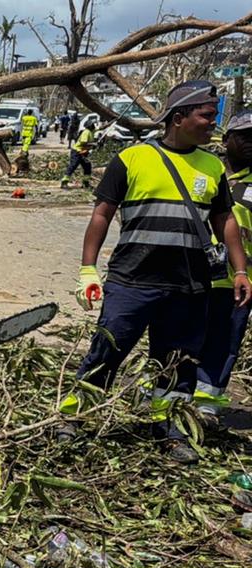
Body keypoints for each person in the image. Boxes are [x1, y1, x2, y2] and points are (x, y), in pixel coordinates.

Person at [66, 80, 251, 464]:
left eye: (214, 117)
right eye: (205, 116)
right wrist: (88, 268)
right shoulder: (131, 159)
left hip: (188, 287)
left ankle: (167, 430)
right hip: (132, 281)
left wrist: (240, 269)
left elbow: (224, 220)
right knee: (107, 351)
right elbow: (101, 214)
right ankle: (74, 419)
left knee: (177, 363)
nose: (211, 124)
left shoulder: (212, 166)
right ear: (179, 116)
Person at [196, 111, 252, 419]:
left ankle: (205, 407)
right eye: (245, 137)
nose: (250, 144)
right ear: (226, 139)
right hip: (192, 277)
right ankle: (168, 399)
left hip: (237, 284)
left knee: (223, 345)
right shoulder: (205, 172)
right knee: (182, 339)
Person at [61, 116, 98, 189]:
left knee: (87, 167)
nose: (94, 126)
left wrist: (112, 122)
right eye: (93, 125)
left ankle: (85, 183)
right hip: (77, 152)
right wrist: (93, 144)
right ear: (90, 126)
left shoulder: (92, 131)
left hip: (83, 153)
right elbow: (84, 143)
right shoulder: (86, 132)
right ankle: (64, 182)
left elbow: (102, 128)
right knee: (73, 165)